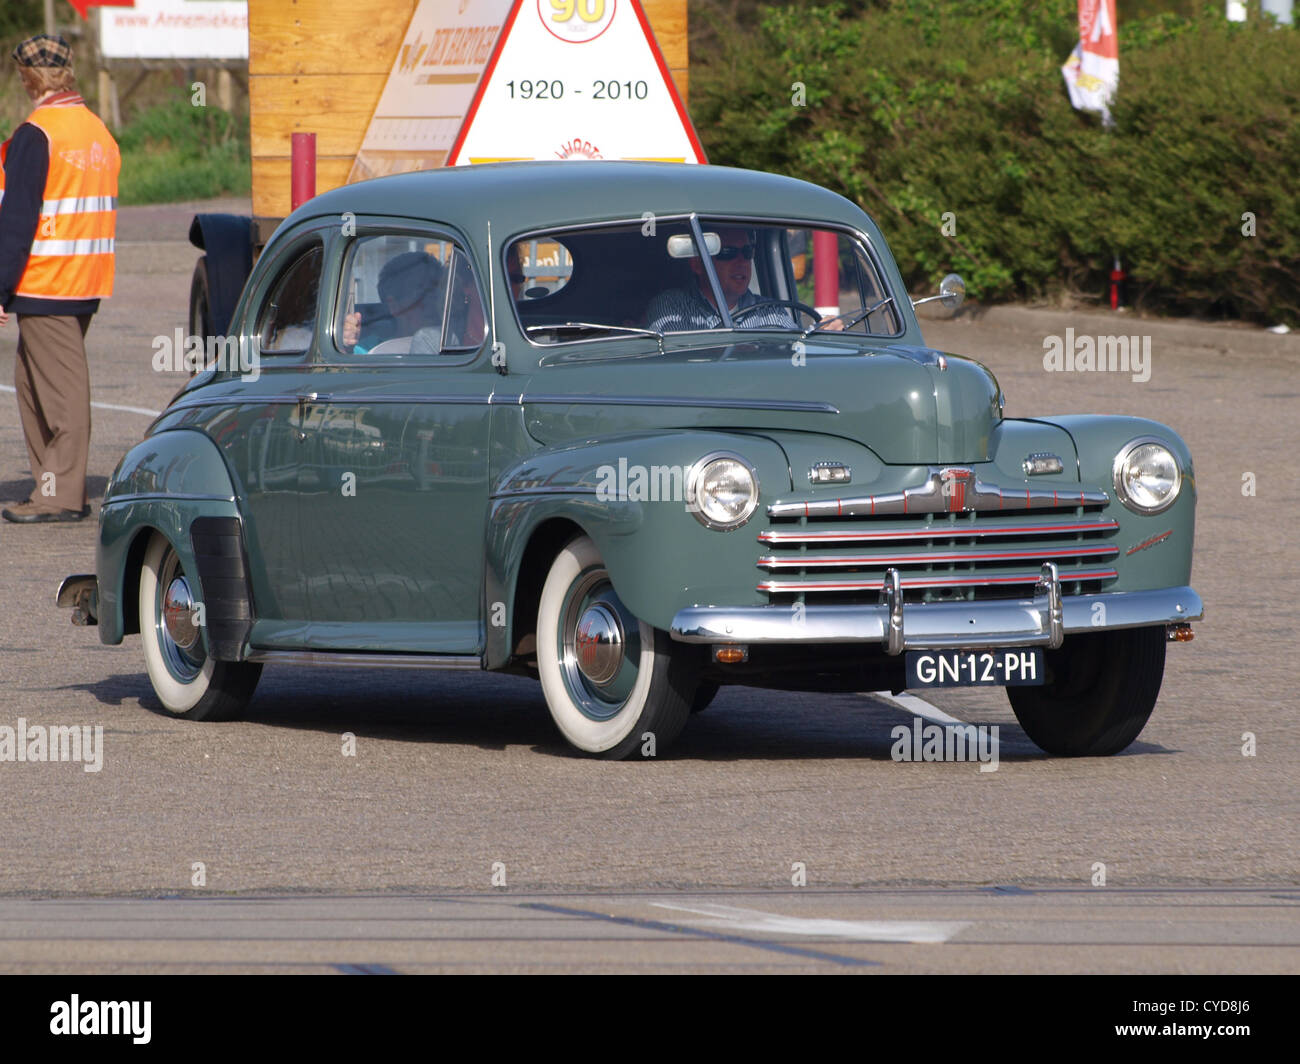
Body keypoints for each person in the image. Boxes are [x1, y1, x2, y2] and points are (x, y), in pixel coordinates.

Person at [0, 35, 119, 524]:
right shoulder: (96, 131)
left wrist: (2, 286)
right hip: (83, 278)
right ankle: (49, 483)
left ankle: (60, 495)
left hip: (44, 280)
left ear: (28, 79)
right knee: (31, 386)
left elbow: (18, 217)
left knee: (61, 396)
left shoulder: (38, 132)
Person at [645, 226, 844, 334]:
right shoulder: (671, 307)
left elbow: (792, 355)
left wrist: (821, 336)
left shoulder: (770, 310)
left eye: (747, 252)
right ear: (697, 264)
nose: (741, 261)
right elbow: (679, 361)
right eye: (728, 253)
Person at [341, 250, 443, 353]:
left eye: (437, 290)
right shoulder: (368, 350)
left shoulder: (455, 344)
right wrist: (347, 348)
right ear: (394, 306)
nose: (433, 300)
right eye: (421, 293)